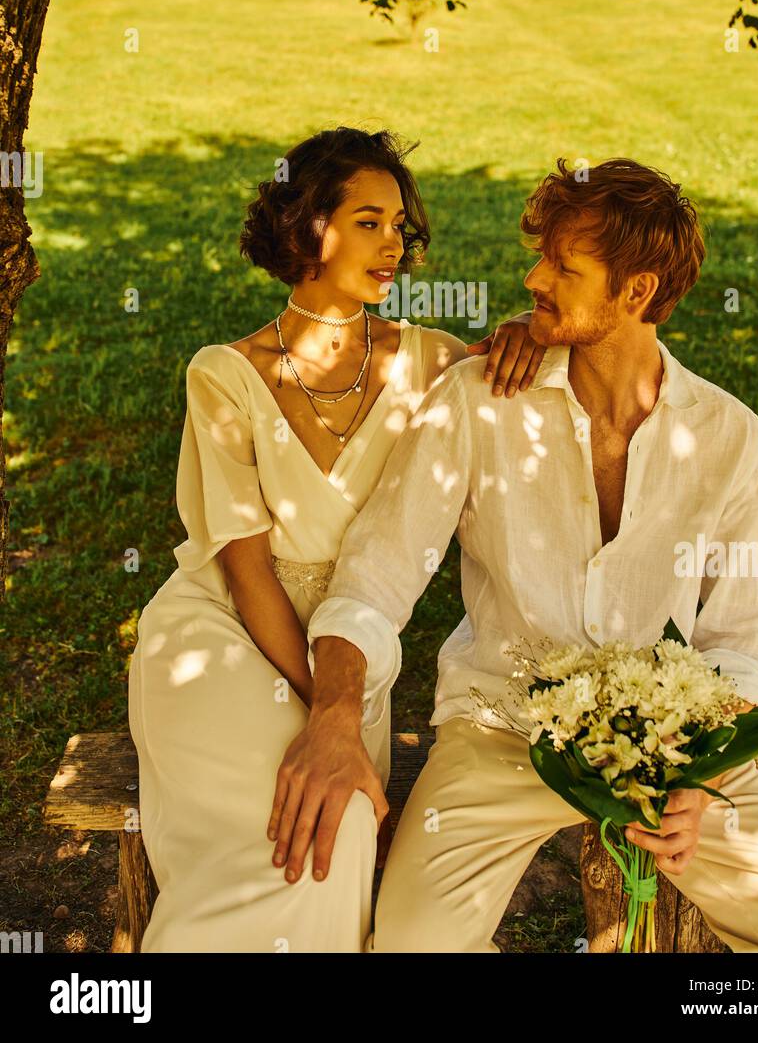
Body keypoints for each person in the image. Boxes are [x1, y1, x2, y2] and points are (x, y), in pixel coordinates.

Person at [280, 156, 758, 954]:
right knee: (410, 948)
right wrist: (336, 711)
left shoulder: (731, 440)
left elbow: (739, 645)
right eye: (543, 256)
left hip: (673, 754)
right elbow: (376, 577)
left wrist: (697, 776)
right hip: (499, 734)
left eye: (564, 266)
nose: (533, 276)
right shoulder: (478, 402)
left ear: (636, 293)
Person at [127, 126, 544, 953]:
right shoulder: (225, 374)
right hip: (228, 634)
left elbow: (512, 366)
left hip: (347, 654)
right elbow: (245, 572)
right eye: (367, 221)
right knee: (289, 834)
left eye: (399, 226)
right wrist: (331, 714)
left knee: (339, 825)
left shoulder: (428, 362)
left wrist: (525, 329)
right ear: (307, 226)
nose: (394, 245)